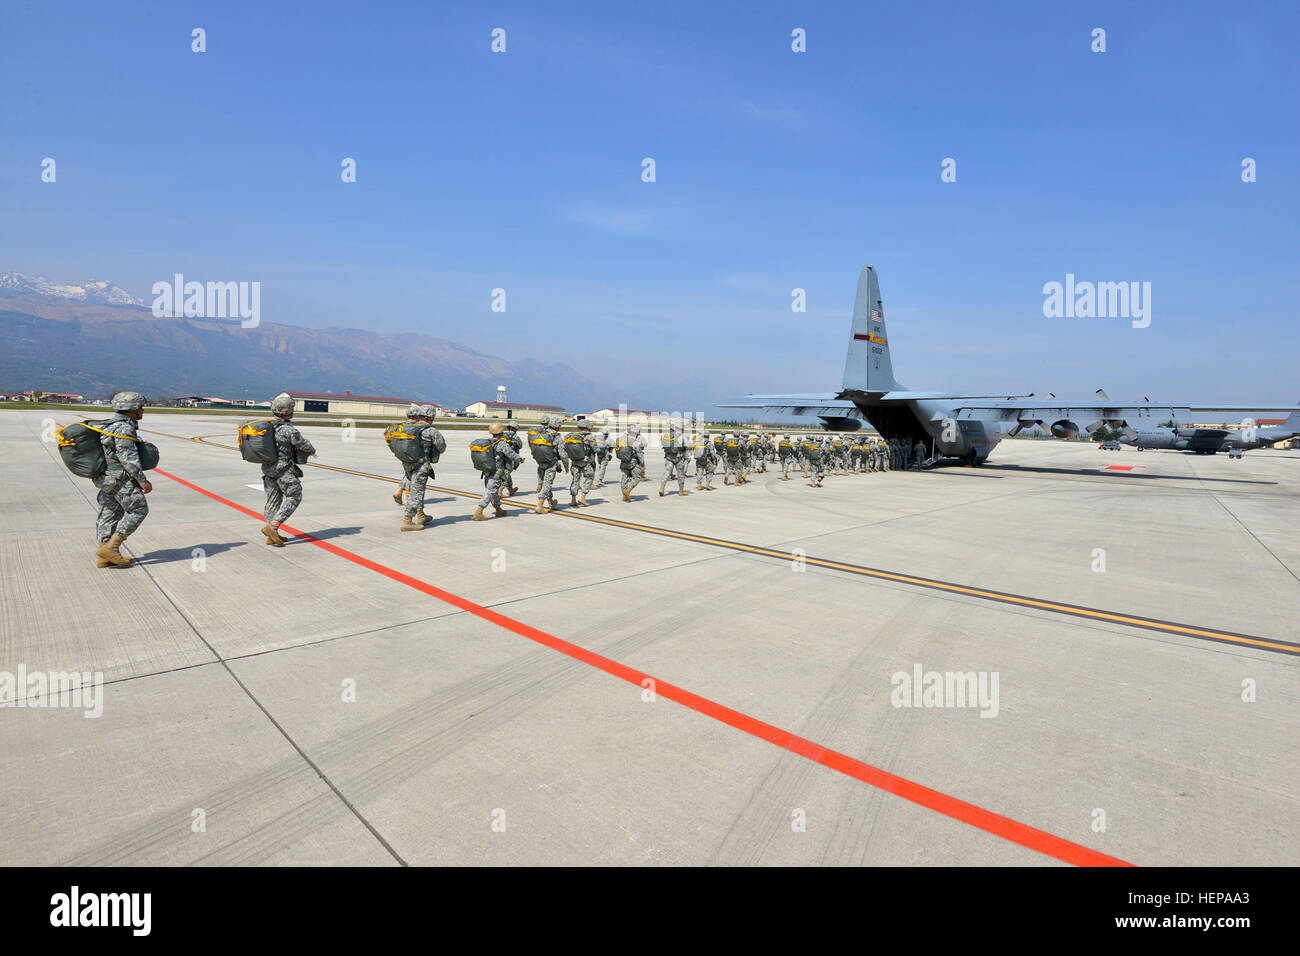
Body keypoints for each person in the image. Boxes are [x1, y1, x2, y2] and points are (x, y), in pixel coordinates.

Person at [91, 390, 153, 568]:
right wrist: (142, 480)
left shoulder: (110, 425)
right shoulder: (124, 428)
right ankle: (112, 547)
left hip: (106, 478)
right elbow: (128, 458)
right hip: (119, 478)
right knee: (139, 509)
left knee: (110, 513)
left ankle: (104, 555)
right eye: (140, 407)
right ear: (131, 408)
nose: (142, 411)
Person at [261, 394, 316, 545]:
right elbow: (302, 444)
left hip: (267, 469)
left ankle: (271, 535)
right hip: (283, 468)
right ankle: (273, 526)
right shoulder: (287, 430)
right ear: (288, 411)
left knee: (273, 501)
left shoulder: (268, 427)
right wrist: (312, 450)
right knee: (295, 496)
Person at [401, 405, 446, 530]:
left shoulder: (409, 427)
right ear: (431, 417)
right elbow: (442, 447)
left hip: (407, 463)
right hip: (421, 465)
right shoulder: (431, 431)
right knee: (417, 491)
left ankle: (421, 515)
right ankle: (407, 521)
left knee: (415, 488)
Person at [472, 422, 519, 520]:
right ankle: (479, 511)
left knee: (493, 490)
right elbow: (511, 454)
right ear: (501, 432)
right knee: (491, 490)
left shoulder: (490, 442)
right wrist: (520, 459)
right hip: (497, 471)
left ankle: (498, 509)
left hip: (488, 470)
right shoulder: (502, 443)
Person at [530, 415, 567, 514]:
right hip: (551, 464)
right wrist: (566, 465)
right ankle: (539, 506)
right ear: (558, 427)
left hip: (540, 462)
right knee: (547, 484)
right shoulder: (557, 437)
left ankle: (551, 503)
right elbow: (563, 454)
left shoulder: (542, 434)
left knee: (545, 484)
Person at [393, 404, 423, 507]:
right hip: (414, 456)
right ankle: (407, 498)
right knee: (413, 476)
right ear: (416, 415)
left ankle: (399, 490)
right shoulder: (418, 427)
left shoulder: (401, 426)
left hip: (402, 455)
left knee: (408, 473)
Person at [563, 421, 597, 507]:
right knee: (589, 477)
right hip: (586, 462)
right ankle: (583, 497)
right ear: (587, 426)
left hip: (574, 462)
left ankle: (573, 500)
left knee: (575, 480)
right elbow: (596, 449)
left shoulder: (573, 436)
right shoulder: (589, 436)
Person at [658, 422, 689, 496]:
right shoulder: (681, 436)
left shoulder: (666, 435)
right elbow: (688, 446)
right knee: (680, 474)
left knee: (667, 472)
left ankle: (662, 488)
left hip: (669, 457)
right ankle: (681, 491)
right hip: (679, 458)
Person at [617, 423, 646, 501]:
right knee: (637, 477)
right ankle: (628, 491)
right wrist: (642, 465)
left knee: (624, 479)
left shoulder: (622, 439)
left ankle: (624, 496)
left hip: (623, 462)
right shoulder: (635, 442)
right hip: (633, 463)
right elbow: (640, 455)